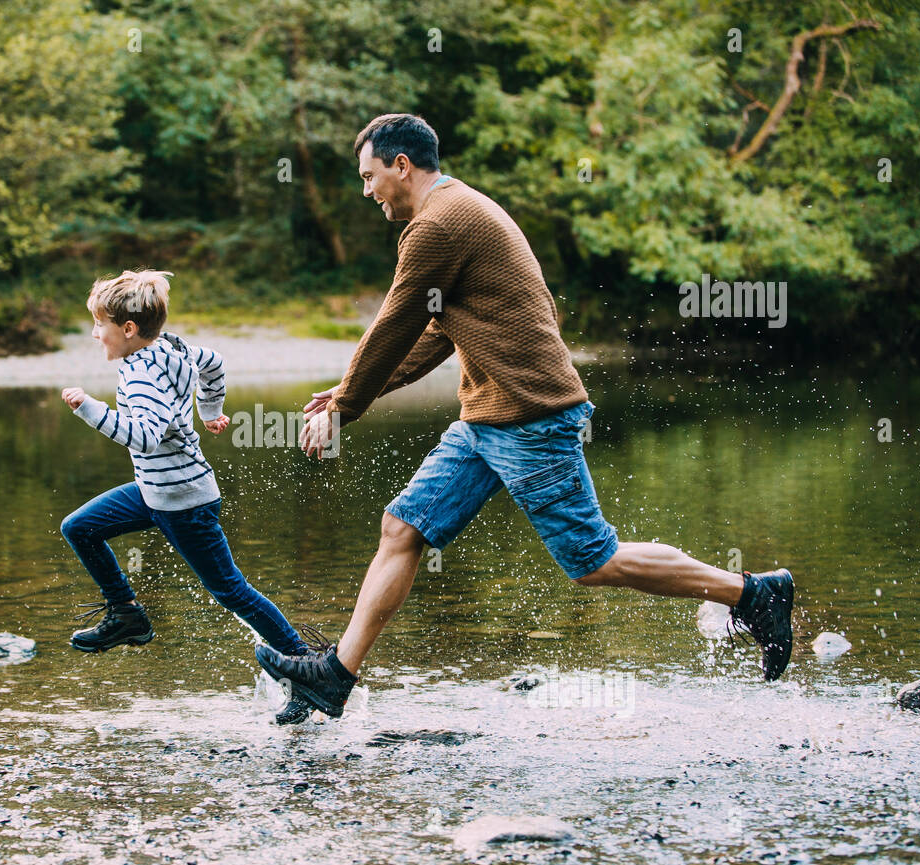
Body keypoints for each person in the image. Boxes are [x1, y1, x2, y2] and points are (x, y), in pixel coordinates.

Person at [255, 114, 795, 719]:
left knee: (594, 561)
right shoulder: (454, 211)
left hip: (530, 416)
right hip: (487, 417)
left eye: (369, 176)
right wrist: (349, 392)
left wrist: (348, 405)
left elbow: (396, 319)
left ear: (401, 166)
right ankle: (335, 677)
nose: (366, 191)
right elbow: (434, 329)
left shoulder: (439, 224)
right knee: (401, 529)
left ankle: (752, 594)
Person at [59, 269, 317, 724]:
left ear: (128, 329)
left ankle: (305, 671)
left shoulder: (139, 376)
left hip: (184, 501)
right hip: (155, 492)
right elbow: (213, 362)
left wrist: (89, 408)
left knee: (231, 590)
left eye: (99, 324)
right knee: (79, 527)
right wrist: (210, 410)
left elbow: (143, 436)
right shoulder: (173, 346)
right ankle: (126, 614)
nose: (95, 334)